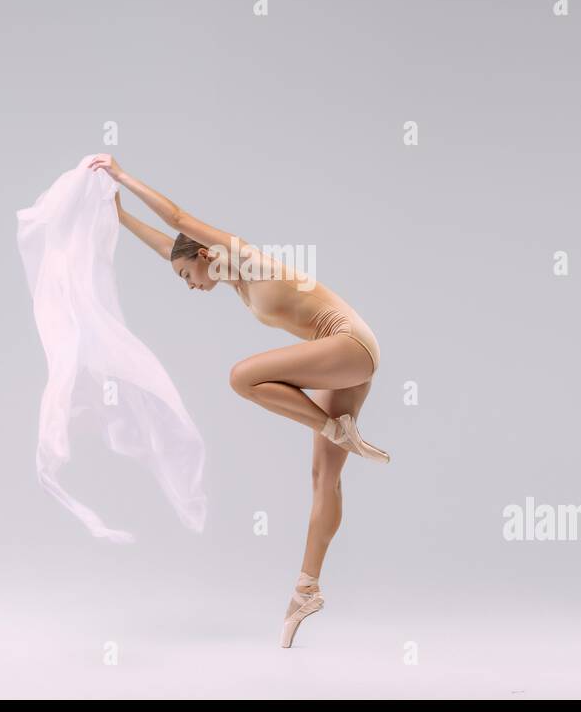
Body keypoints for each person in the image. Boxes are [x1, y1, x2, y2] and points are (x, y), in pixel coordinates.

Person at [88, 154, 389, 648]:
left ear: (206, 255)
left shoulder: (244, 256)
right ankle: (306, 589)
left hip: (348, 345)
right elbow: (172, 244)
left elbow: (180, 222)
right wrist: (118, 217)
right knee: (324, 479)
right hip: (341, 360)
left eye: (187, 275)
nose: (188, 286)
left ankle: (337, 429)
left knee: (242, 377)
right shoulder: (236, 282)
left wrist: (121, 176)